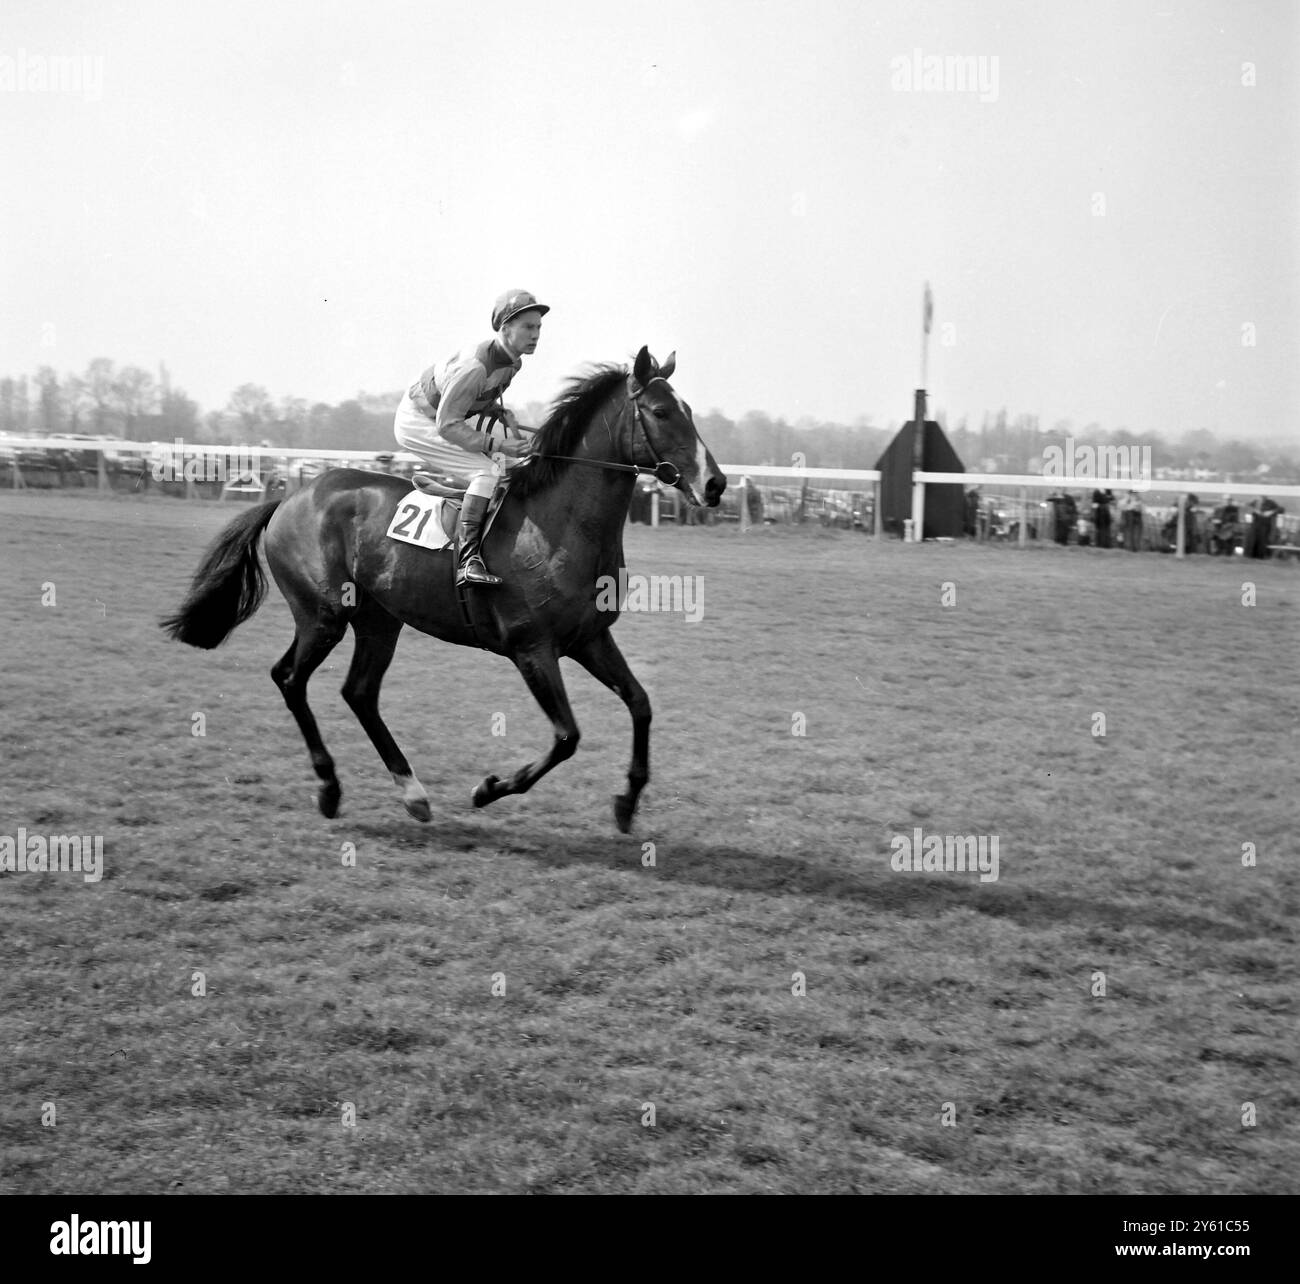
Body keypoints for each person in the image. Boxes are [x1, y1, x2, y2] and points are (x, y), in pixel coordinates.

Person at [393, 290, 548, 585]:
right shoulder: (474, 368)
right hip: (419, 421)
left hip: (445, 415)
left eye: (538, 327)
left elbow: (475, 403)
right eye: (528, 327)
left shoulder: (514, 363)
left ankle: (477, 511)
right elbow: (448, 425)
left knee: (510, 464)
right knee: (486, 470)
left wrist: (497, 415)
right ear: (505, 329)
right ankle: (468, 560)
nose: (536, 334)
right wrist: (498, 444)